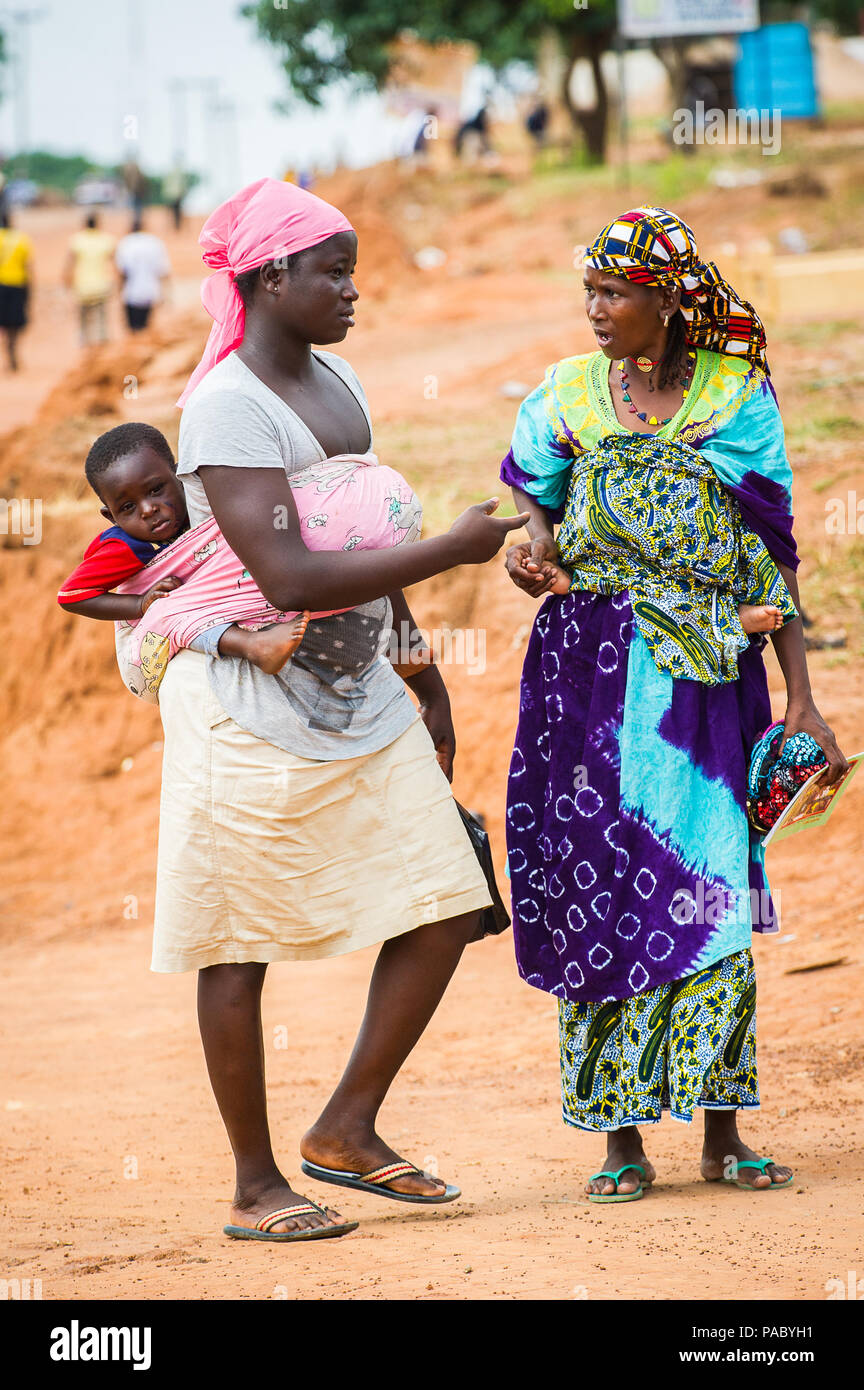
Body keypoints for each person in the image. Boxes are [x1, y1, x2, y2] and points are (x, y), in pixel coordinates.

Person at [152, 176, 528, 1242]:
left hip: (359, 694)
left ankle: (347, 1127)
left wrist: (423, 668)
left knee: (452, 895)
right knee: (236, 940)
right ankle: (255, 1184)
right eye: (333, 271)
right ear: (270, 278)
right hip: (245, 707)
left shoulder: (340, 379)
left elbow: (362, 533)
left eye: (351, 269)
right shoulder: (228, 404)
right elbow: (285, 573)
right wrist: (453, 551)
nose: (352, 291)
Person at [502, 205, 848, 1203]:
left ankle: (722, 1132)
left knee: (712, 899)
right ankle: (619, 1140)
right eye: (590, 293)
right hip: (591, 686)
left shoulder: (736, 399)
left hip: (705, 692)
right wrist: (534, 549)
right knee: (601, 897)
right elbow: (538, 511)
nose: (596, 310)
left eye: (614, 293)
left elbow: (770, 554)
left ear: (668, 299)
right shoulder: (566, 396)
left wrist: (806, 700)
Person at [57, 422, 309, 679]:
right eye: (128, 507)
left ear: (179, 476)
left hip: (190, 612)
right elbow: (72, 595)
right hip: (146, 646)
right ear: (111, 517)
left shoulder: (200, 506)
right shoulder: (126, 546)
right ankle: (252, 646)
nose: (148, 510)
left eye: (156, 490)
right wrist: (140, 604)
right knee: (172, 608)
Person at [65, 213, 115, 346]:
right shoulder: (105, 240)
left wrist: (67, 282)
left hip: (82, 286)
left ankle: (84, 339)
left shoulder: (77, 240)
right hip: (101, 285)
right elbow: (115, 263)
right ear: (98, 224)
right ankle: (102, 339)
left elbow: (69, 265)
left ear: (85, 224)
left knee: (83, 317)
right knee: (101, 317)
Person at [115, 216, 171, 332]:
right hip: (150, 292)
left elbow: (121, 272)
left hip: (131, 293)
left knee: (133, 328)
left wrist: (119, 292)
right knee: (145, 328)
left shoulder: (126, 243)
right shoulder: (155, 243)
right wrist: (166, 294)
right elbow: (163, 271)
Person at [0, 210, 33, 371]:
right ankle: (12, 348)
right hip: (17, 284)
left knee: (4, 322)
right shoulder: (21, 239)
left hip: (2, 286)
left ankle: (9, 349)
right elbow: (28, 265)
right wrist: (30, 288)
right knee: (15, 323)